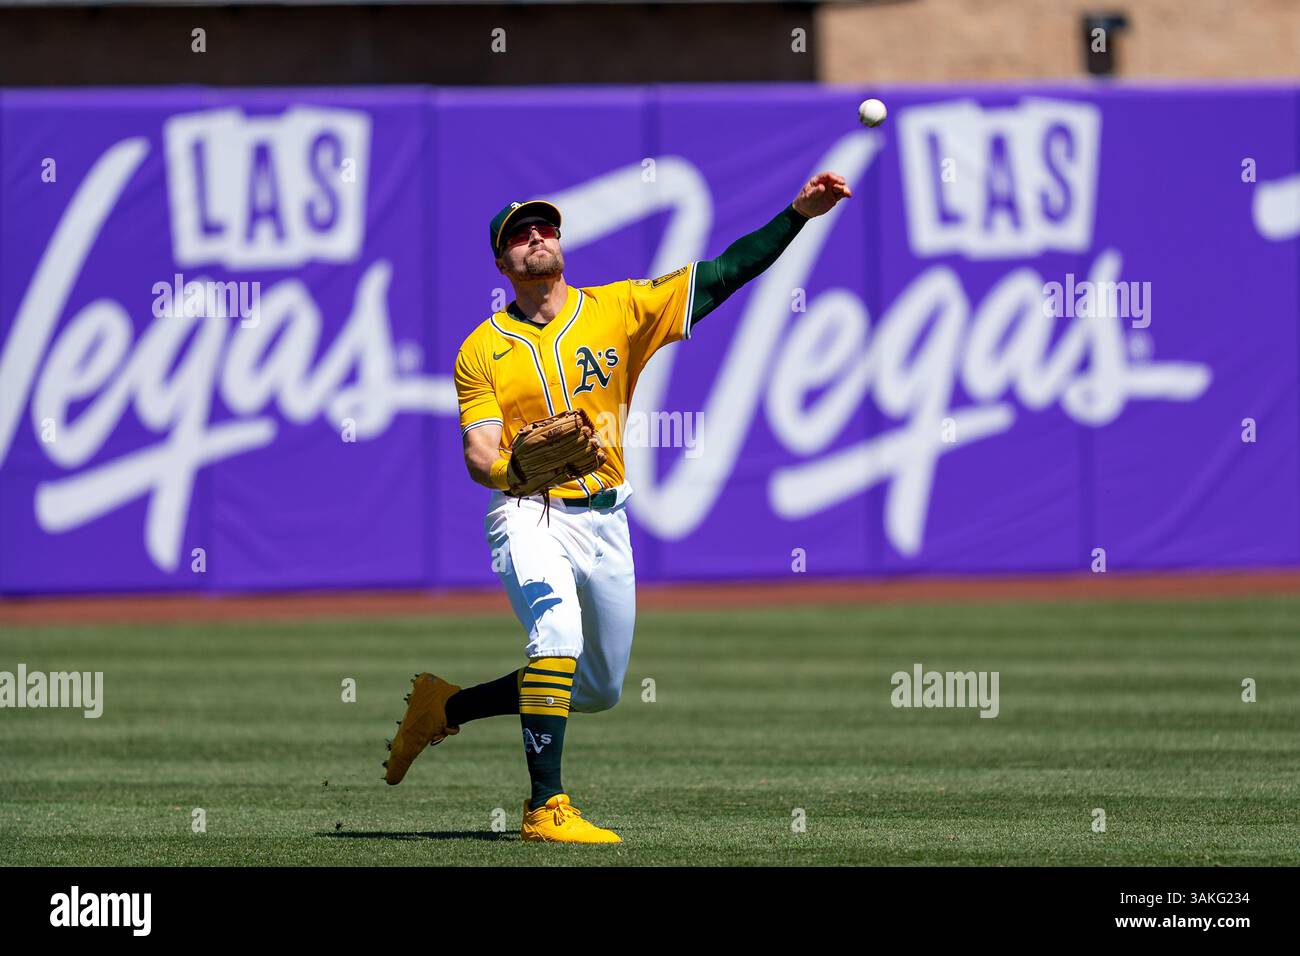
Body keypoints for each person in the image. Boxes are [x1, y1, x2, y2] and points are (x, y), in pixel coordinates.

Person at [384, 172, 852, 843]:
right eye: (519, 235)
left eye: (544, 227)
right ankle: (546, 809)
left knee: (598, 688)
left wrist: (798, 215)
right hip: (529, 512)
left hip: (606, 517)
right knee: (557, 637)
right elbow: (479, 453)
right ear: (501, 264)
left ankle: (446, 705)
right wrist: (509, 469)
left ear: (560, 242)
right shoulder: (479, 351)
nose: (535, 238)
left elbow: (723, 274)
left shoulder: (619, 309)